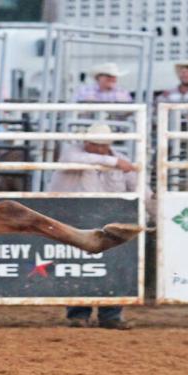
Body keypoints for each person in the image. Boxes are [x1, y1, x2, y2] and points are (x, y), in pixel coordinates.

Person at [52, 124, 138, 330]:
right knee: (79, 266)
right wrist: (114, 161)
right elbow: (74, 161)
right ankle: (78, 313)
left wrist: (153, 211)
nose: (91, 147)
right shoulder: (75, 153)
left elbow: (137, 186)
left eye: (97, 144)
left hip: (110, 218)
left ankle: (111, 314)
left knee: (113, 266)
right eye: (90, 143)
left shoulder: (120, 161)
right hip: (76, 215)